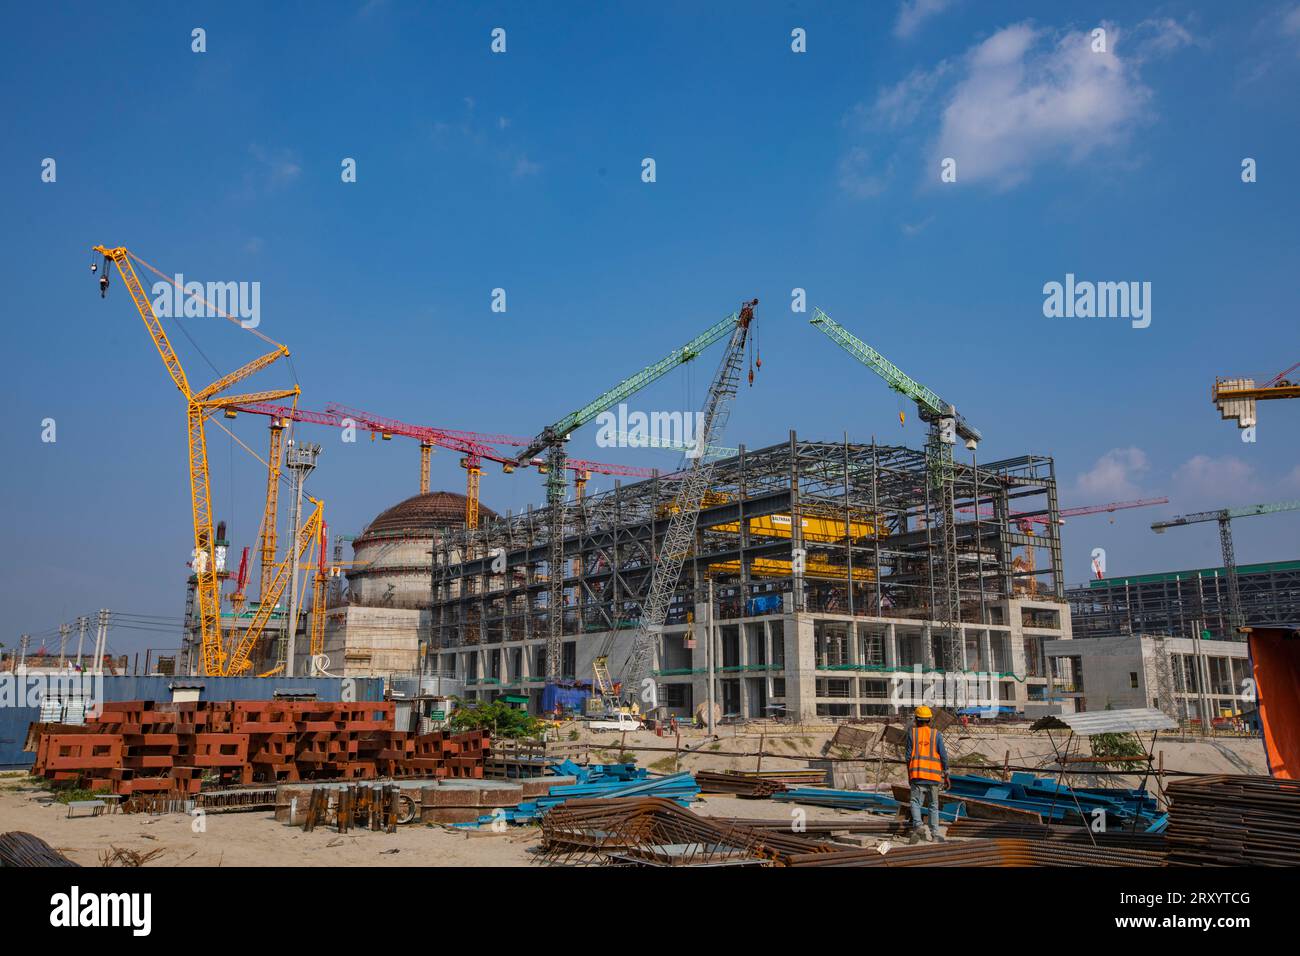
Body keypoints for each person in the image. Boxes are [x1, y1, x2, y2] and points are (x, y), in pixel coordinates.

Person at [904, 705, 950, 843]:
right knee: (933, 806)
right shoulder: (937, 734)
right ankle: (935, 835)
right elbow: (944, 757)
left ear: (916, 720)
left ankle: (918, 825)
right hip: (934, 777)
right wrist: (946, 775)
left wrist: (909, 775)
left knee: (915, 802)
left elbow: (907, 757)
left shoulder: (912, 733)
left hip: (917, 775)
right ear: (929, 720)